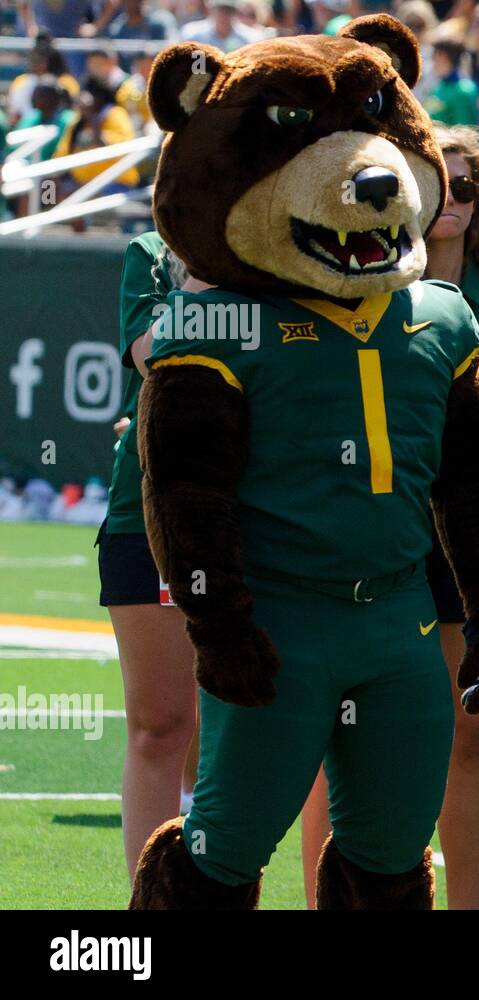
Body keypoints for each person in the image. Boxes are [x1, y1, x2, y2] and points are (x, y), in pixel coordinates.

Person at [298, 130, 479, 910]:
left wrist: (468, 427)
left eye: (472, 189)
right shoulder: (355, 280)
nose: (456, 202)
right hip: (381, 524)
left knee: (468, 729)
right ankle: (317, 898)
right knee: (335, 731)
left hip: (466, 536)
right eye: (445, 184)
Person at [98, 232, 199, 878]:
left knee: (277, 725)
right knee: (161, 724)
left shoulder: (291, 240)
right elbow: (151, 354)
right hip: (154, 512)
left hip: (273, 512)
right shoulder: (154, 252)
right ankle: (152, 907)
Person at [424, 34, 479, 127]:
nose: (432, 60)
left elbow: (465, 132)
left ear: (442, 56)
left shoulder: (464, 91)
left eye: (434, 54)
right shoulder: (439, 87)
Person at [180, 0, 265, 51]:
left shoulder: (251, 38)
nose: (224, 15)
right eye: (220, 10)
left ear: (236, 12)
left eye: (229, 10)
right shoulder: (192, 34)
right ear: (211, 10)